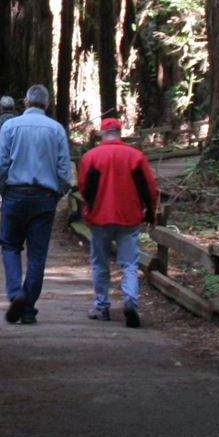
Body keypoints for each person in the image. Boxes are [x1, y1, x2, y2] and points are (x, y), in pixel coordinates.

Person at [0, 84, 71, 325]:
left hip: (15, 193)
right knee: (37, 254)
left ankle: (16, 292)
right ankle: (27, 310)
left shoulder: (10, 127)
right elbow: (64, 173)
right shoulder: (57, 130)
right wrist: (56, 195)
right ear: (47, 105)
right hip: (44, 196)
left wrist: (4, 191)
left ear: (25, 102)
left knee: (10, 246)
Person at [77, 116, 158, 327]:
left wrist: (91, 206)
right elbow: (149, 187)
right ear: (120, 133)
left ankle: (102, 307)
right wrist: (151, 214)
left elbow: (84, 187)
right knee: (129, 264)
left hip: (100, 217)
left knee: (100, 263)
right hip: (129, 216)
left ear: (101, 133)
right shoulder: (136, 156)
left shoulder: (90, 157)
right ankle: (130, 301)